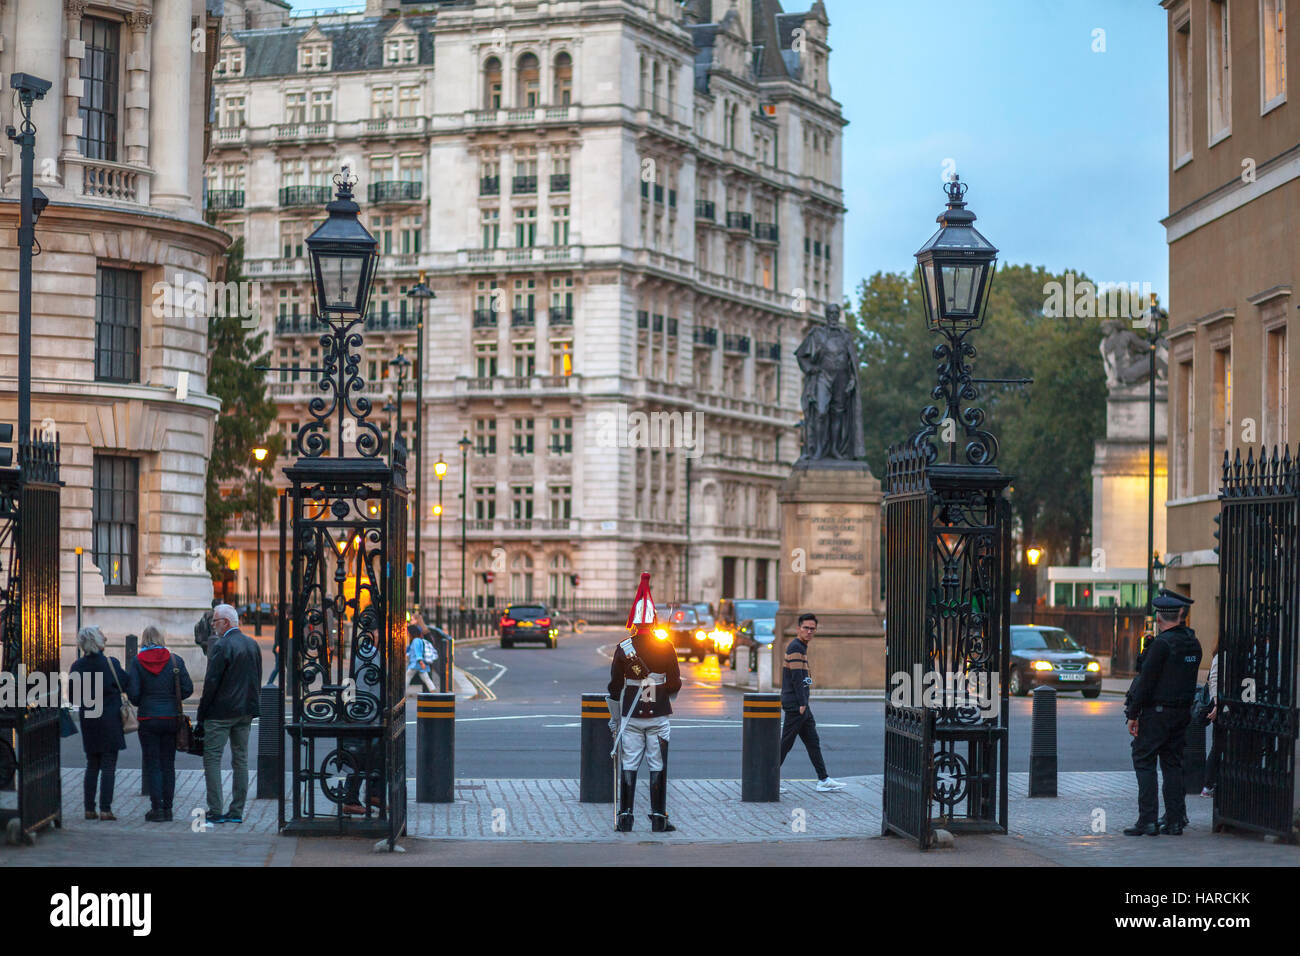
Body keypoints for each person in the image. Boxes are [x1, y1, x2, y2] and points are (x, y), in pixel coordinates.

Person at [1123, 589, 1203, 836]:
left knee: (1144, 761)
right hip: (1181, 714)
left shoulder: (1161, 645)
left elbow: (1146, 683)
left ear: (1159, 618)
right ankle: (1175, 820)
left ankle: (1147, 820)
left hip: (1157, 714)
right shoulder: (1193, 643)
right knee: (1173, 765)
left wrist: (1133, 714)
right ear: (1180, 615)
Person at [607, 572, 682, 832]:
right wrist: (664, 692)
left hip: (630, 716)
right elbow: (675, 684)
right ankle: (659, 817)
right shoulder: (667, 646)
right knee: (657, 765)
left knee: (628, 764)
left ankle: (625, 816)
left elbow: (614, 687)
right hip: (659, 714)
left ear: (635, 622)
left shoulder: (624, 647)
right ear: (654, 620)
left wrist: (615, 716)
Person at [198, 603, 263, 826]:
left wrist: (202, 713)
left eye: (215, 621)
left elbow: (211, 682)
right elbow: (256, 679)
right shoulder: (252, 644)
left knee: (213, 759)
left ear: (225, 622)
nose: (213, 625)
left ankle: (215, 810)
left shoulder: (222, 645)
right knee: (241, 760)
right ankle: (236, 811)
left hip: (221, 712)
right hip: (244, 711)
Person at [125, 625, 193, 822]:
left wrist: (145, 700)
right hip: (171, 718)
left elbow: (134, 695)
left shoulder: (137, 662)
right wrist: (173, 697)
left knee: (153, 764)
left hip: (148, 718)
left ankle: (157, 809)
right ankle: (169, 809)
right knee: (168, 764)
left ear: (143, 639)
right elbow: (187, 688)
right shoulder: (175, 660)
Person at [780, 613, 847, 792]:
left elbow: (804, 676)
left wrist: (809, 686)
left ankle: (823, 779)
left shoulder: (801, 647)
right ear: (798, 629)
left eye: (812, 629)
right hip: (796, 704)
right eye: (806, 628)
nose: (809, 631)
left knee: (812, 741)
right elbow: (796, 678)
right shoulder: (796, 647)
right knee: (785, 743)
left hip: (801, 704)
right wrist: (802, 702)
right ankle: (768, 779)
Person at [69, 626, 129, 821]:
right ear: (99, 642)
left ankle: (89, 808)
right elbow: (125, 683)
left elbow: (72, 696)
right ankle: (105, 809)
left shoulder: (77, 666)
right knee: (109, 765)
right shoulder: (110, 664)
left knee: (92, 765)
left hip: (90, 720)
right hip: (110, 719)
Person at [1201, 643, 1221, 798]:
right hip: (1221, 707)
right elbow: (1213, 680)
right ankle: (1208, 785)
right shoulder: (1221, 656)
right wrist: (1216, 703)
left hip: (1228, 706)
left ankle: (1213, 783)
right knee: (1218, 746)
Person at [405, 621, 438, 694]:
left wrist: (420, 661)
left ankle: (402, 692)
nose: (407, 634)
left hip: (416, 664)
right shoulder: (419, 640)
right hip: (420, 665)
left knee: (408, 676)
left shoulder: (416, 641)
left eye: (408, 633)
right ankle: (433, 691)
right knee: (426, 678)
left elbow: (418, 652)